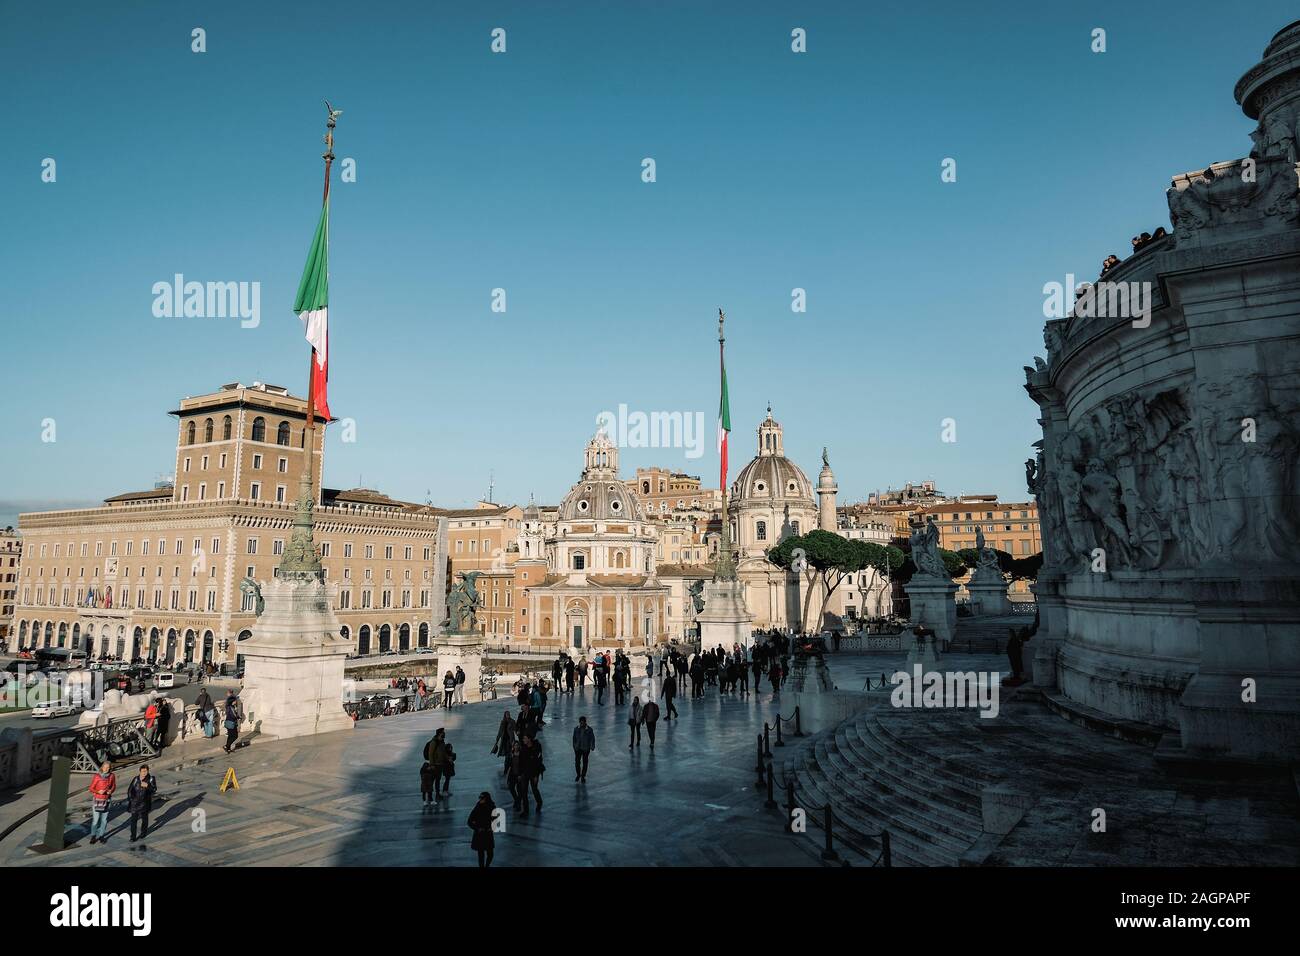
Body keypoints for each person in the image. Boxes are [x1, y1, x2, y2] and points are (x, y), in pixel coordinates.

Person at [88, 761, 116, 845]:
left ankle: (101, 836)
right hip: (97, 800)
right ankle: (93, 836)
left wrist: (111, 791)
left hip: (107, 800)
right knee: (96, 820)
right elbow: (91, 788)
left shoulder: (112, 776)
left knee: (104, 820)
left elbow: (114, 785)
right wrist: (98, 791)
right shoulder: (97, 776)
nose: (106, 769)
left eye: (108, 767)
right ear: (102, 767)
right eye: (105, 767)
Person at [127, 764, 156, 844]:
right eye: (143, 771)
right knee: (133, 820)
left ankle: (143, 833)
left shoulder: (151, 779)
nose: (144, 773)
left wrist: (148, 786)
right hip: (135, 803)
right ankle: (133, 836)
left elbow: (154, 790)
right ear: (140, 771)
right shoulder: (136, 779)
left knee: (144, 819)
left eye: (146, 771)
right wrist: (131, 799)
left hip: (144, 803)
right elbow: (130, 790)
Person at [516, 734, 544, 815]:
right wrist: (520, 774)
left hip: (533, 773)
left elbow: (538, 762)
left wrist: (536, 775)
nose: (523, 739)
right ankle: (526, 810)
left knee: (534, 789)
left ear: (529, 739)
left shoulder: (536, 748)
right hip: (525, 772)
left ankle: (539, 802)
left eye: (525, 738)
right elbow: (520, 762)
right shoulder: (523, 748)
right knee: (524, 791)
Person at [468, 792, 497, 868]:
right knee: (481, 855)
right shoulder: (478, 808)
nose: (480, 800)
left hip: (487, 832)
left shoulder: (491, 807)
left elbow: (495, 819)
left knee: (490, 854)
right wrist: (477, 828)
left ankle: (486, 866)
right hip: (481, 833)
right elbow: (469, 821)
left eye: (482, 798)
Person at [491, 709, 516, 775]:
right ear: (505, 715)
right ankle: (507, 767)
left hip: (510, 740)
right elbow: (500, 731)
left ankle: (508, 768)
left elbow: (515, 729)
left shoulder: (512, 721)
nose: (508, 715)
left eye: (508, 714)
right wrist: (497, 739)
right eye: (507, 714)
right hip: (504, 740)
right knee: (507, 754)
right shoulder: (503, 722)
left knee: (509, 753)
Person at [572, 715, 595, 782]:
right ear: (579, 722)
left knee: (585, 763)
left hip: (585, 749)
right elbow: (574, 739)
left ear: (585, 722)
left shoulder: (589, 730)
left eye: (583, 722)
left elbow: (592, 738)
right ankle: (578, 774)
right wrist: (574, 746)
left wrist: (592, 746)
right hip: (578, 749)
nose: (582, 724)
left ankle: (583, 776)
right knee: (577, 762)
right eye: (581, 722)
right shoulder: (576, 729)